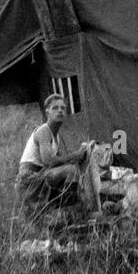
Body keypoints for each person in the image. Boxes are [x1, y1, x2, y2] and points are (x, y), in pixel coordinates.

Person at [16, 93, 91, 222]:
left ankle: (64, 214)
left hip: (40, 178)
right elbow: (48, 161)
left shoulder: (55, 136)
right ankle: (64, 211)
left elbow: (59, 161)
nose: (60, 111)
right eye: (55, 108)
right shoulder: (44, 131)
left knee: (82, 194)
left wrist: (80, 154)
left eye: (63, 108)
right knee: (71, 170)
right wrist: (73, 156)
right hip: (30, 181)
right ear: (47, 112)